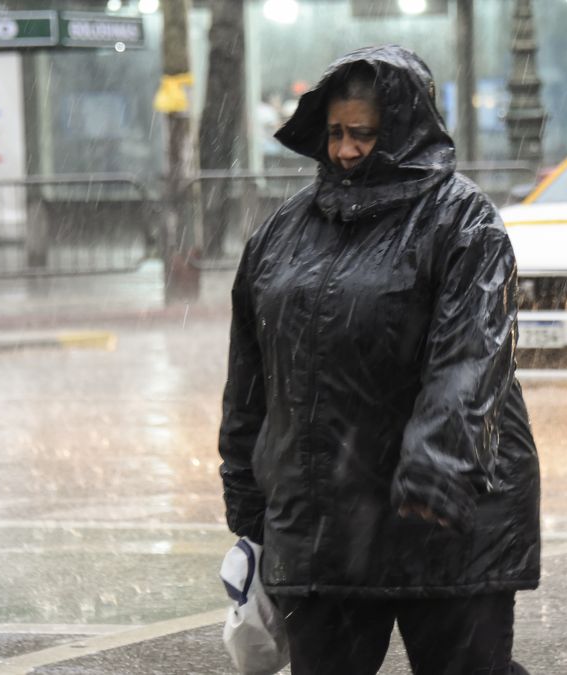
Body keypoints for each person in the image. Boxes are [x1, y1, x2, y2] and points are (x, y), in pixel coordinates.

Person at [218, 45, 540, 675]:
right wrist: (247, 497)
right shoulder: (282, 233)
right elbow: (252, 378)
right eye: (335, 132)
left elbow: (471, 356)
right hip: (323, 524)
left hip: (444, 518)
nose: (344, 149)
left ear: (402, 131)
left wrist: (438, 463)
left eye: (362, 134)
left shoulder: (464, 222)